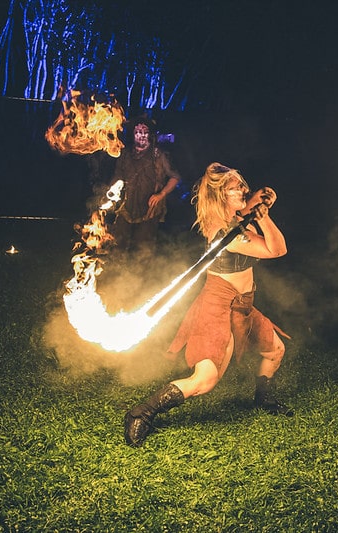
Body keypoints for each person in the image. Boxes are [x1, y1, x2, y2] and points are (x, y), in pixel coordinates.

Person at [124, 162, 292, 447]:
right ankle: (142, 413)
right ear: (221, 196)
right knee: (205, 380)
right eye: (236, 187)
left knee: (275, 350)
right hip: (218, 304)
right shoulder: (223, 233)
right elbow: (276, 249)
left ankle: (263, 399)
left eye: (242, 184)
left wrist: (258, 202)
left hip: (243, 306)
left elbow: (254, 209)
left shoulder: (235, 221)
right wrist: (261, 214)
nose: (243, 189)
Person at [110, 116, 181, 256]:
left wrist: (161, 194)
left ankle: (142, 276)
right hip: (125, 207)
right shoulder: (125, 153)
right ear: (133, 134)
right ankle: (115, 273)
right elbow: (118, 175)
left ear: (150, 134)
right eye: (137, 132)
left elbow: (175, 177)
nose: (141, 135)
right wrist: (114, 189)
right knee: (117, 245)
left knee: (143, 250)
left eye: (145, 132)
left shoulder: (158, 155)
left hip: (149, 209)